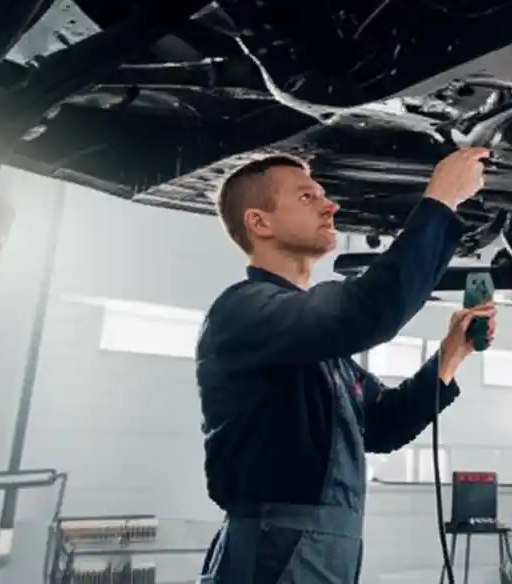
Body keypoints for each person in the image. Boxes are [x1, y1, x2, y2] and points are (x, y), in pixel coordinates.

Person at [195, 147, 494, 583]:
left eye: (323, 194)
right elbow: (368, 311)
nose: (330, 204)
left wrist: (452, 355)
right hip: (273, 549)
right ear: (260, 222)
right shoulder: (243, 312)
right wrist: (441, 199)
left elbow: (385, 424)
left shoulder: (315, 345)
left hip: (324, 547)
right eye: (306, 197)